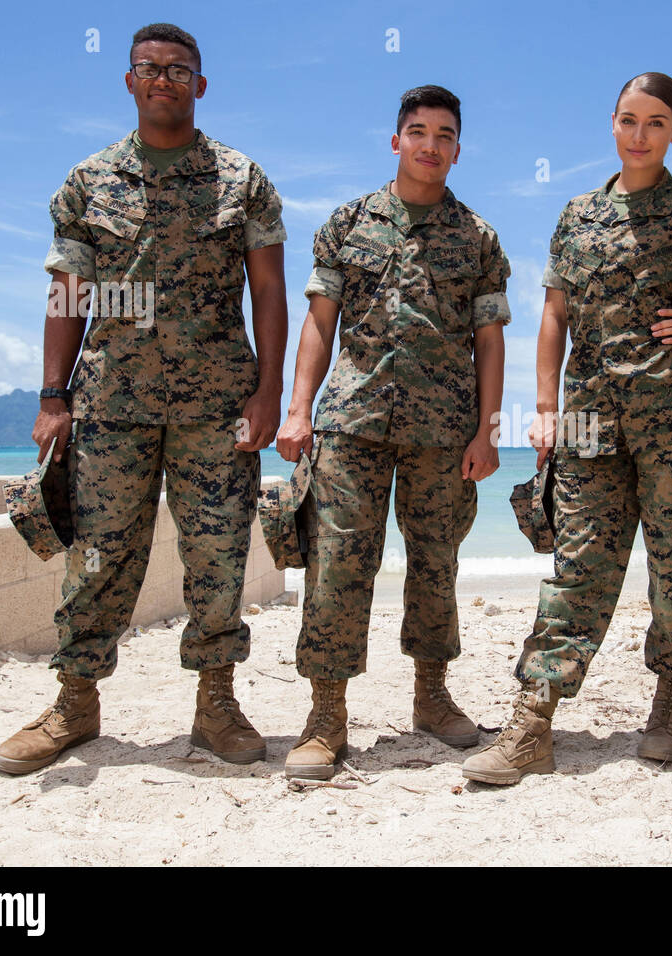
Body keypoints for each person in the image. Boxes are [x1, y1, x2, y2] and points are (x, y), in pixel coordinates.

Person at [462, 72, 672, 785]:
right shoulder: (577, 213)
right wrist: (544, 406)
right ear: (611, 124)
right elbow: (554, 313)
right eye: (627, 119)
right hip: (586, 418)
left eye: (655, 122)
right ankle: (533, 721)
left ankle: (670, 702)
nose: (638, 134)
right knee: (577, 569)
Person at [0, 23, 288, 775]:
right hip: (110, 404)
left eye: (179, 69)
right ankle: (75, 702)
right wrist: (52, 397)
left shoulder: (239, 178)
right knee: (98, 557)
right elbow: (68, 297)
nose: (164, 79)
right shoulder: (88, 182)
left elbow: (268, 290)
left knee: (218, 556)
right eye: (149, 69)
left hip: (217, 406)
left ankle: (216, 705)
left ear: (200, 83)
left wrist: (269, 390)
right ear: (128, 81)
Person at [275, 85, 510, 779]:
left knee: (436, 565)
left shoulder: (478, 238)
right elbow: (320, 322)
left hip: (445, 428)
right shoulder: (348, 223)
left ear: (458, 149)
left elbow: (490, 342)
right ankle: (326, 716)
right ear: (396, 140)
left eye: (443, 134)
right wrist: (298, 409)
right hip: (353, 420)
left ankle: (432, 698)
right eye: (417, 130)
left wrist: (488, 432)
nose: (429, 144)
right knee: (338, 567)